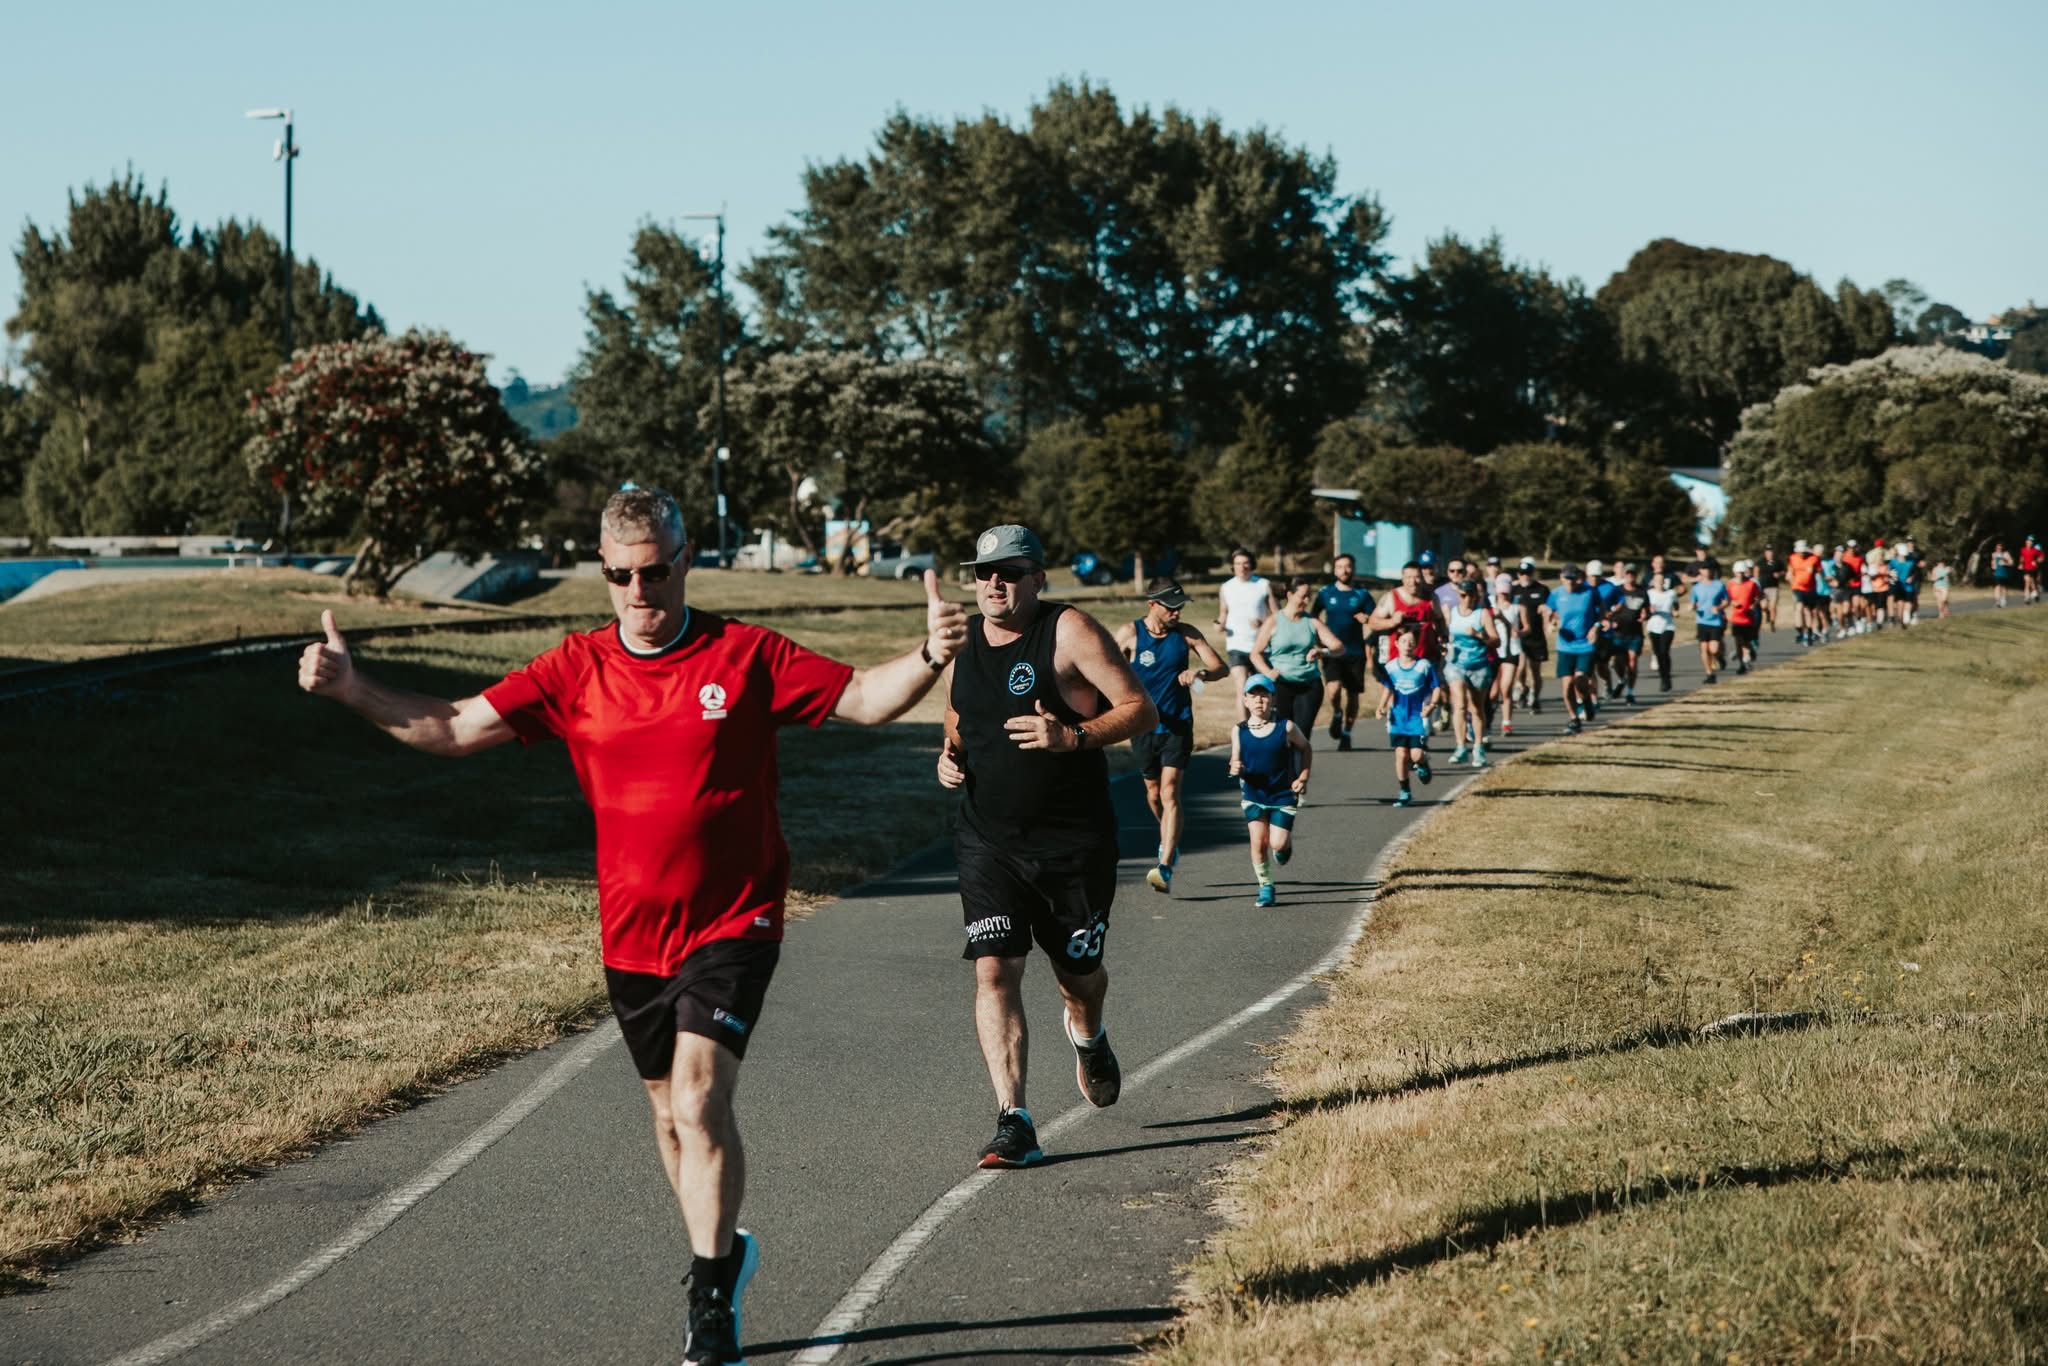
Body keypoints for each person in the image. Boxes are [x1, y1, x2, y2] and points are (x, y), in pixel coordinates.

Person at [297, 486, 972, 1366]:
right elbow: (456, 727)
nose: (640, 592)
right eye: (620, 576)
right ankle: (725, 1254)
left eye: (654, 572)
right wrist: (353, 690)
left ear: (683, 560)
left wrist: (929, 652)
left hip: (736, 918)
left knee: (698, 1100)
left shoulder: (744, 654)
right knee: (667, 1118)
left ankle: (707, 1299)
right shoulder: (574, 669)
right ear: (604, 574)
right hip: (632, 934)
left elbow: (865, 700)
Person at [935, 525, 1156, 1171]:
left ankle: (1088, 1035)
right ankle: (1014, 1119)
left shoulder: (1069, 631)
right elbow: (958, 714)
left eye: (1009, 571)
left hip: (1072, 845)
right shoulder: (966, 642)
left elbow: (1140, 710)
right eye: (982, 572)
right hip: (987, 840)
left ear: (1037, 577)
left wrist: (1076, 738)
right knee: (994, 968)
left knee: (1078, 978)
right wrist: (946, 758)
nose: (993, 583)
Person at [1116, 577, 1227, 896]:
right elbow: (1107, 670)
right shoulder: (1130, 634)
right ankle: (1169, 835)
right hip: (1143, 728)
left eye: (1180, 606)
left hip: (1178, 724)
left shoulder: (1187, 634)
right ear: (1152, 604)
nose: (1177, 611)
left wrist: (1201, 673)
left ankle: (1165, 863)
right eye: (1171, 606)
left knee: (1169, 791)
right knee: (1153, 793)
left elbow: (1220, 667)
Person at [1229, 674, 1314, 906]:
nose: (1259, 700)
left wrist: (1303, 776)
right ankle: (1266, 886)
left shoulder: (1285, 727)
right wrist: (1235, 767)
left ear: (1273, 699)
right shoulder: (1239, 731)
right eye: (1253, 696)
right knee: (1258, 842)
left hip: (1282, 794)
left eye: (1264, 695)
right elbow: (1235, 760)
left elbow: (1306, 748)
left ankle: (1284, 846)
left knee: (1276, 843)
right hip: (1253, 794)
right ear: (1245, 701)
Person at [1251, 576, 1349, 742]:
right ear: (1289, 595)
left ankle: (1300, 768)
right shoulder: (1274, 621)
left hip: (1309, 686)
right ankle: (1284, 768)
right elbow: (1255, 653)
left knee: (1301, 736)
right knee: (1282, 734)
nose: (1307, 599)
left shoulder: (1311, 622)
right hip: (1281, 685)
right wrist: (1268, 673)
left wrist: (1322, 652)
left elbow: (1339, 647)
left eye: (1309, 595)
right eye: (1303, 595)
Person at [1375, 622, 1442, 806]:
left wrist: (1432, 705)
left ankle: (1423, 763)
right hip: (1397, 717)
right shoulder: (1391, 667)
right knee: (1401, 755)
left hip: (1418, 718)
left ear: (1416, 644)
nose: (1408, 645)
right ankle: (1404, 791)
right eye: (1404, 641)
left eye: (1411, 642)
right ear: (1396, 643)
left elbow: (1436, 687)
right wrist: (1381, 707)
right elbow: (1388, 689)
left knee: (1416, 755)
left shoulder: (1424, 665)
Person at [1314, 554, 1376, 751]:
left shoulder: (1362, 594)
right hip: (1332, 651)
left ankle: (1347, 733)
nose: (1344, 570)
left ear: (1353, 569)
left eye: (1348, 567)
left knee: (1353, 694)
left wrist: (1367, 619)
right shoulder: (1325, 592)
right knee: (1333, 689)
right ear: (1334, 570)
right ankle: (1337, 713)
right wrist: (1318, 641)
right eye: (1340, 567)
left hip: (1355, 651)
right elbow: (1313, 617)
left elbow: (1377, 619)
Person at [1443, 578, 1503, 766]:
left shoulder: (1482, 614)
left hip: (1478, 665)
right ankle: (1460, 747)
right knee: (1459, 704)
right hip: (1456, 665)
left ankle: (1478, 748)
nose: (1466, 598)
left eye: (1470, 595)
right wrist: (1443, 646)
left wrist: (1479, 635)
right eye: (1463, 595)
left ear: (1476, 596)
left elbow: (1496, 641)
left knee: (1476, 708)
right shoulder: (1451, 612)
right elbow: (1443, 635)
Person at [1216, 549, 1280, 721]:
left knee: (1265, 688)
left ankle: (1269, 726)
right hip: (1236, 645)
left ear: (1251, 565)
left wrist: (1263, 622)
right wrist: (1219, 624)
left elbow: (1277, 615)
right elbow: (1223, 612)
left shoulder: (1263, 584)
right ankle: (1244, 730)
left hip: (1261, 646)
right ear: (1233, 566)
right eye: (1237, 564)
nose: (1241, 567)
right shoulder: (1226, 587)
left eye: (1245, 563)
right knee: (1242, 688)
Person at [1542, 562, 1603, 733]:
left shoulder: (1589, 592)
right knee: (1567, 684)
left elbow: (1602, 610)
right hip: (1565, 645)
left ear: (1578, 578)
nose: (1570, 581)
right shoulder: (1556, 594)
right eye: (1566, 578)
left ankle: (1586, 702)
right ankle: (1574, 718)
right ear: (1561, 578)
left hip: (1585, 644)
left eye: (1573, 578)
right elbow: (1549, 611)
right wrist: (1549, 623)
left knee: (1581, 680)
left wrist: (1596, 626)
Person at [1511, 558, 1550, 712]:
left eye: (1527, 573)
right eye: (1521, 573)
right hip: (1518, 636)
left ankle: (1535, 696)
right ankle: (1521, 687)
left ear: (1532, 573)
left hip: (1536, 636)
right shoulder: (1513, 591)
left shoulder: (1542, 590)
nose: (1525, 576)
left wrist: (1548, 622)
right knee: (1519, 667)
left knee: (1535, 670)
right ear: (1518, 574)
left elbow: (1548, 610)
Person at [1609, 564, 1649, 704]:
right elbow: (1609, 609)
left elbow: (1647, 610)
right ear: (1624, 575)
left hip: (1635, 633)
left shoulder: (1642, 592)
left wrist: (1645, 615)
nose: (1630, 576)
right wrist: (1612, 620)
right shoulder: (1617, 591)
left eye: (1633, 574)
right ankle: (1622, 680)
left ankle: (1630, 692)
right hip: (1619, 633)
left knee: (1632, 661)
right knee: (1617, 663)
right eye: (1628, 574)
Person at [1491, 577, 1525, 736]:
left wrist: (1519, 632)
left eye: (1506, 591)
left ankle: (1506, 723)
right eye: (1501, 591)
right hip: (1494, 651)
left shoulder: (1517, 607)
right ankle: (1488, 720)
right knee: (1492, 693)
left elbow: (1528, 627)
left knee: (1505, 688)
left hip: (1511, 650)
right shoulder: (1490, 605)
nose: (1503, 595)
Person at [1689, 560, 1731, 683]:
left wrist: (1719, 608)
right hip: (1702, 620)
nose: (1706, 572)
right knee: (1704, 648)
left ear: (1712, 571)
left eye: (1709, 569)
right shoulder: (1697, 587)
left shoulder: (1719, 585)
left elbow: (1727, 600)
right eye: (1704, 569)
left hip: (1715, 621)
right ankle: (1709, 673)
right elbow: (1693, 601)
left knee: (1714, 649)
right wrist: (1692, 606)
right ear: (1700, 571)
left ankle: (1720, 658)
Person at [1726, 560, 1764, 673]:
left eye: (1742, 572)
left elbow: (1759, 596)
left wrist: (1754, 604)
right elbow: (1726, 598)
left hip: (1748, 617)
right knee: (1738, 641)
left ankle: (1749, 654)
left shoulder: (1752, 584)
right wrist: (1732, 602)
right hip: (1736, 617)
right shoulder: (1731, 584)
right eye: (1738, 572)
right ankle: (1741, 664)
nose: (1741, 575)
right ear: (1734, 572)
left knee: (1746, 640)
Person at [1644, 569, 1679, 692]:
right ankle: (1663, 676)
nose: (1659, 582)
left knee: (1664, 651)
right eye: (1657, 580)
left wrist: (1675, 612)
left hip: (1667, 626)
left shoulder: (1671, 593)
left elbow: (1676, 606)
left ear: (1664, 582)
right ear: (1653, 582)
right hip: (1653, 626)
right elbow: (1644, 611)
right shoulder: (1649, 593)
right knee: (1658, 653)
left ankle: (1666, 678)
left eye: (1661, 580)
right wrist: (1649, 611)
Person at [1786, 539, 1823, 645]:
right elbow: (1790, 571)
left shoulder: (1814, 558)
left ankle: (1809, 632)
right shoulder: (1793, 558)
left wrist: (1814, 571)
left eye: (1803, 551)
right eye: (1799, 552)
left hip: (1810, 588)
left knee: (1808, 611)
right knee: (1799, 607)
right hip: (1797, 587)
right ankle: (1799, 631)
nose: (1801, 553)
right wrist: (1789, 576)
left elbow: (1820, 571)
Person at [1756, 546, 1783, 632]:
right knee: (1763, 606)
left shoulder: (1777, 562)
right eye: (1767, 551)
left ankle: (1772, 623)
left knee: (1773, 606)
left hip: (1774, 587)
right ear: (1765, 552)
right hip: (1763, 587)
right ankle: (1767, 613)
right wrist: (1756, 581)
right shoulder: (1761, 561)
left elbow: (1783, 571)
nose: (1769, 553)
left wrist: (1779, 574)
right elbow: (1756, 570)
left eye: (1770, 551)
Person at [1990, 541, 2015, 607]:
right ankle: (1997, 602)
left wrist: (2005, 563)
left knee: (2003, 587)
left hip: (2004, 573)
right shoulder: (1993, 554)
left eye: (2000, 546)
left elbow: (2012, 563)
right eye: (1998, 546)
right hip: (1996, 573)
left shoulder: (2006, 554)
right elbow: (1992, 563)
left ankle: (2003, 599)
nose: (1999, 547)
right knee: (1997, 587)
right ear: (1995, 547)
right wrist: (1993, 565)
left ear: (2002, 547)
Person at [2022, 535, 2044, 605]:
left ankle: (2035, 594)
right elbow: (2022, 557)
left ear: (2033, 543)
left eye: (2031, 541)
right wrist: (2020, 563)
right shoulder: (2023, 549)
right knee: (2027, 582)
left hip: (2033, 569)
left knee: (2032, 583)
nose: (2030, 542)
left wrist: (2036, 561)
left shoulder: (2035, 550)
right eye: (2029, 541)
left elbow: (2042, 557)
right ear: (2026, 541)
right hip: (2026, 569)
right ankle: (2027, 599)